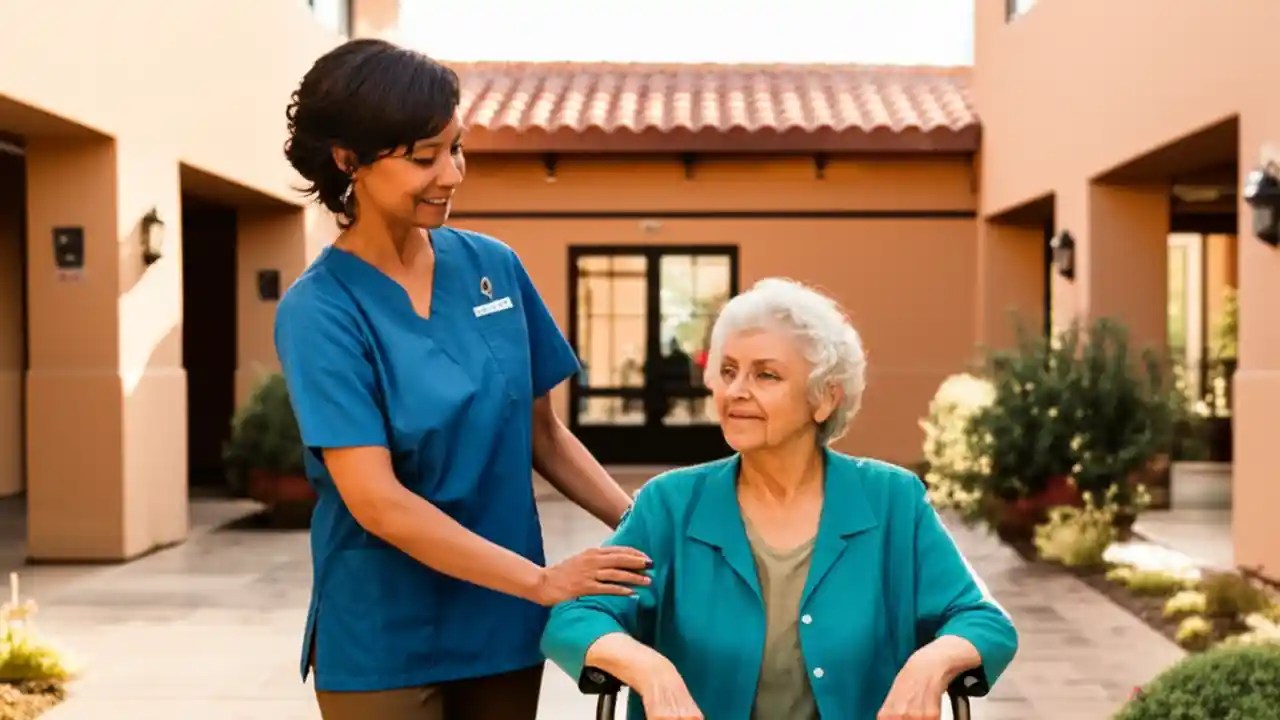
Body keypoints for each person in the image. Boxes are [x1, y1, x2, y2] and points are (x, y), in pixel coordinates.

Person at [274, 39, 651, 720]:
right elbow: (377, 501)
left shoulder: (493, 267)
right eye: (425, 157)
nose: (451, 173)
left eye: (457, 148)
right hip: (386, 634)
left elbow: (544, 434)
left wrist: (645, 529)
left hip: (503, 618)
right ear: (347, 160)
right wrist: (542, 580)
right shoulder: (320, 309)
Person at [541, 278, 1019, 720]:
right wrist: (648, 667)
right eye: (728, 371)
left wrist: (931, 663)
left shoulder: (892, 500)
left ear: (825, 398)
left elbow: (983, 622)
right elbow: (575, 616)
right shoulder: (670, 504)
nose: (736, 391)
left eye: (766, 375)